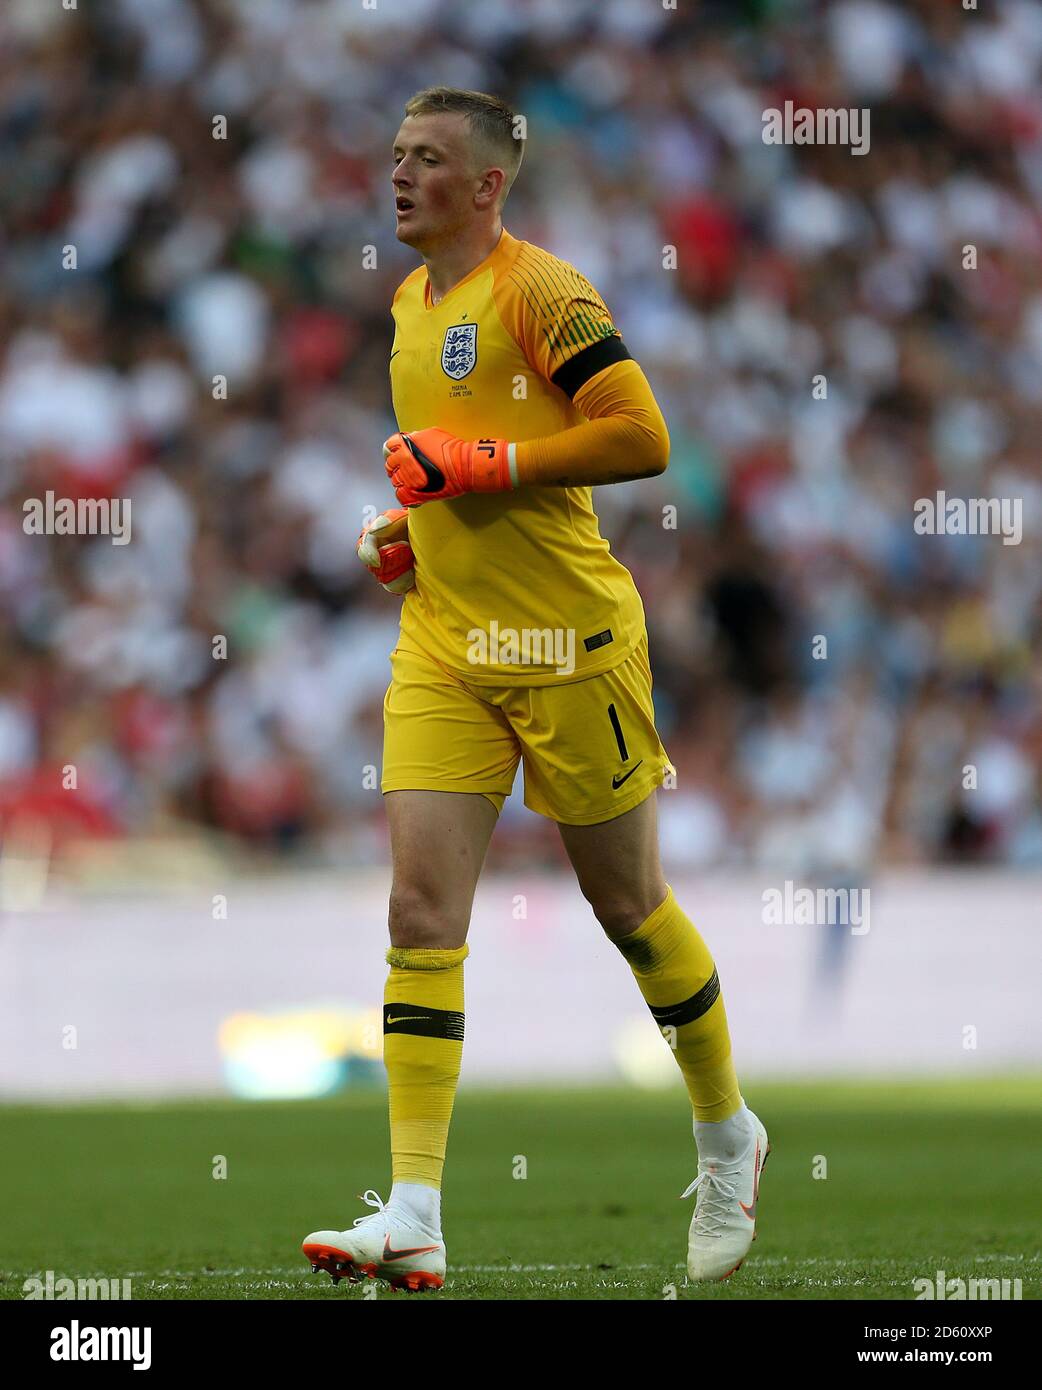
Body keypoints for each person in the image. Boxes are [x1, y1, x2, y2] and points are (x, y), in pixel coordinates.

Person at [302, 87, 769, 1292]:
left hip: (567, 646)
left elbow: (639, 433)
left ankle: (727, 1133)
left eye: (429, 160)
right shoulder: (409, 305)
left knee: (630, 909)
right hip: (448, 648)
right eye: (395, 153)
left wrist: (482, 465)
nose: (399, 176)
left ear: (490, 184)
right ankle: (413, 1211)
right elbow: (457, 478)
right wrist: (407, 529)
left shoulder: (541, 290)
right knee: (418, 914)